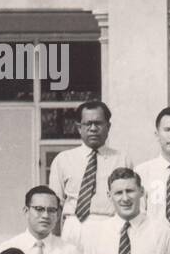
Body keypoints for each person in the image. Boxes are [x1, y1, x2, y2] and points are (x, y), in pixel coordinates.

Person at [48, 100, 130, 245]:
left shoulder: (122, 160)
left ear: (108, 126)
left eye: (98, 123)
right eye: (87, 124)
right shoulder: (63, 160)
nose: (93, 128)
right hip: (74, 226)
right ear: (79, 128)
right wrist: (53, 242)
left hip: (109, 225)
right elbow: (55, 205)